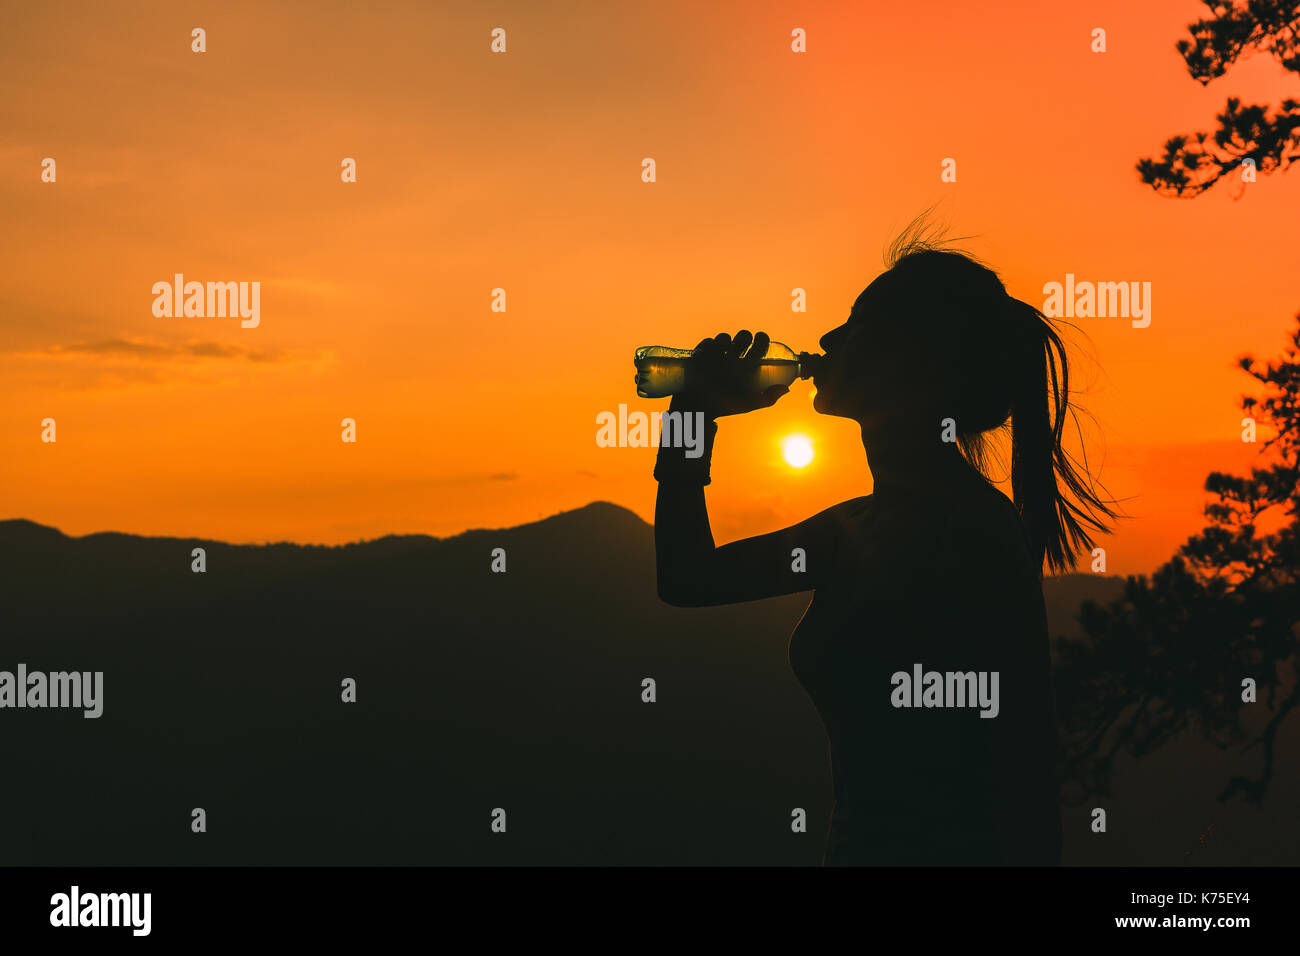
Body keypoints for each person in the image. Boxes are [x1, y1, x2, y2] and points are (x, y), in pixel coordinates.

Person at [652, 226, 1119, 865]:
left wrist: (691, 419)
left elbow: (1015, 780)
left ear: (913, 363)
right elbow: (687, 577)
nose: (827, 341)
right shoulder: (875, 524)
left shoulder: (962, 532)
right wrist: (690, 418)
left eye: (857, 326)